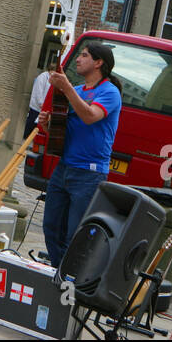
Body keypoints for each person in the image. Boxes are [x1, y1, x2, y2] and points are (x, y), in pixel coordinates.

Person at [39, 41, 122, 267]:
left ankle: (69, 279)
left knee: (75, 233)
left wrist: (66, 88)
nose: (77, 59)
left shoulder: (110, 92)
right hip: (64, 168)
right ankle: (59, 271)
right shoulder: (76, 91)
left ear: (98, 62)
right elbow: (63, 130)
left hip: (89, 174)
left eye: (84, 55)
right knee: (51, 227)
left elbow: (89, 116)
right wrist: (48, 125)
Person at [26, 68, 51, 139]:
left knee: (35, 127)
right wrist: (41, 103)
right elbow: (39, 91)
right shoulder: (43, 77)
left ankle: (29, 138)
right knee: (31, 124)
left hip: (42, 108)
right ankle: (25, 137)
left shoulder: (49, 77)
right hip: (36, 106)